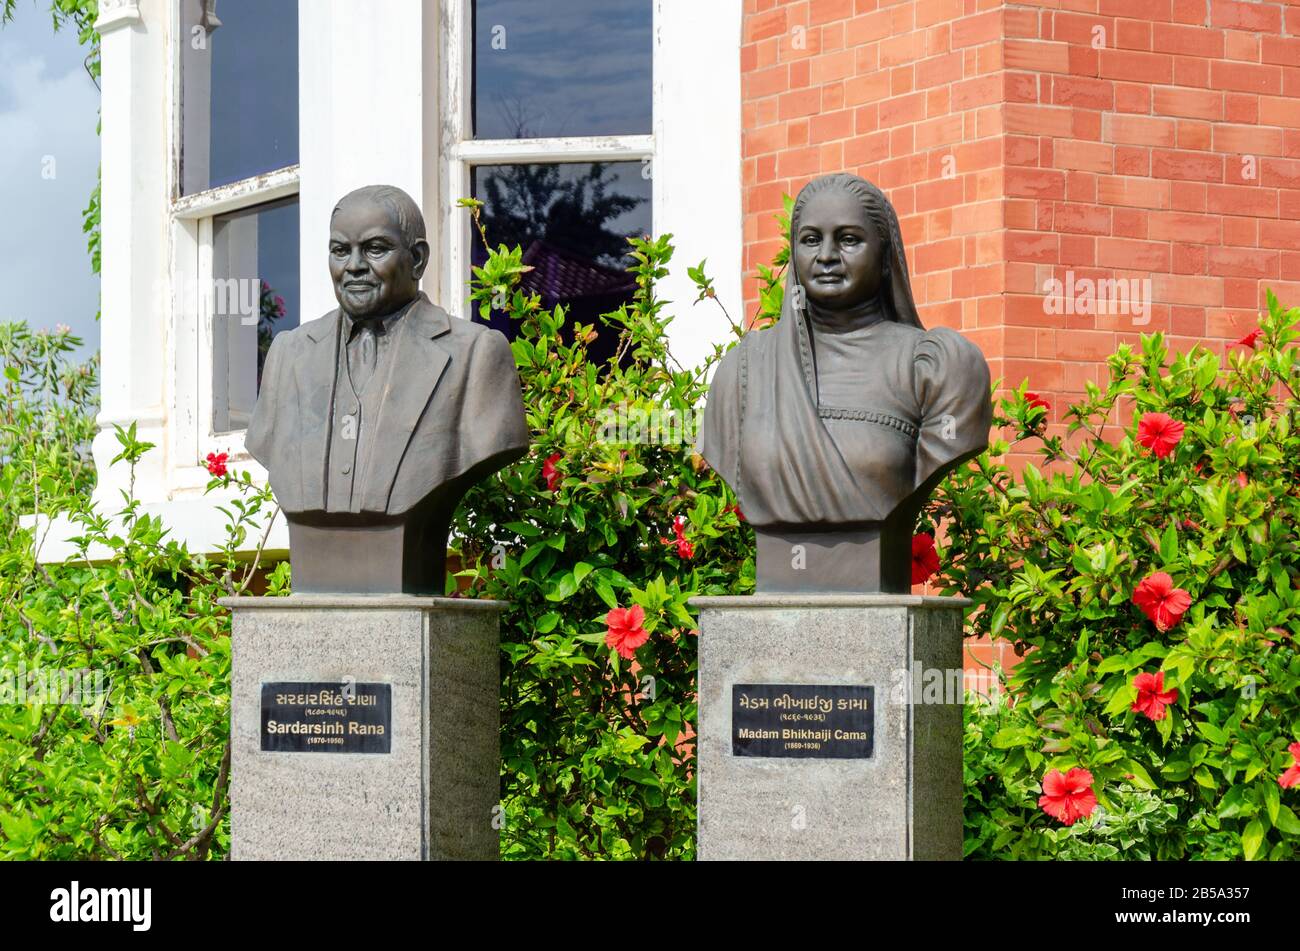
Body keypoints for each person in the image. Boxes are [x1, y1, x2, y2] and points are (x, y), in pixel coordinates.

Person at [698, 173, 991, 592]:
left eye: (849, 239)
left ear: (885, 253)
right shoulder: (745, 372)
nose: (827, 256)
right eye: (811, 240)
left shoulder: (938, 367)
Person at [246, 184, 528, 592]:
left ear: (417, 259)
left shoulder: (476, 355)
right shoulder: (289, 353)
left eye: (375, 249)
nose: (355, 266)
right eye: (341, 251)